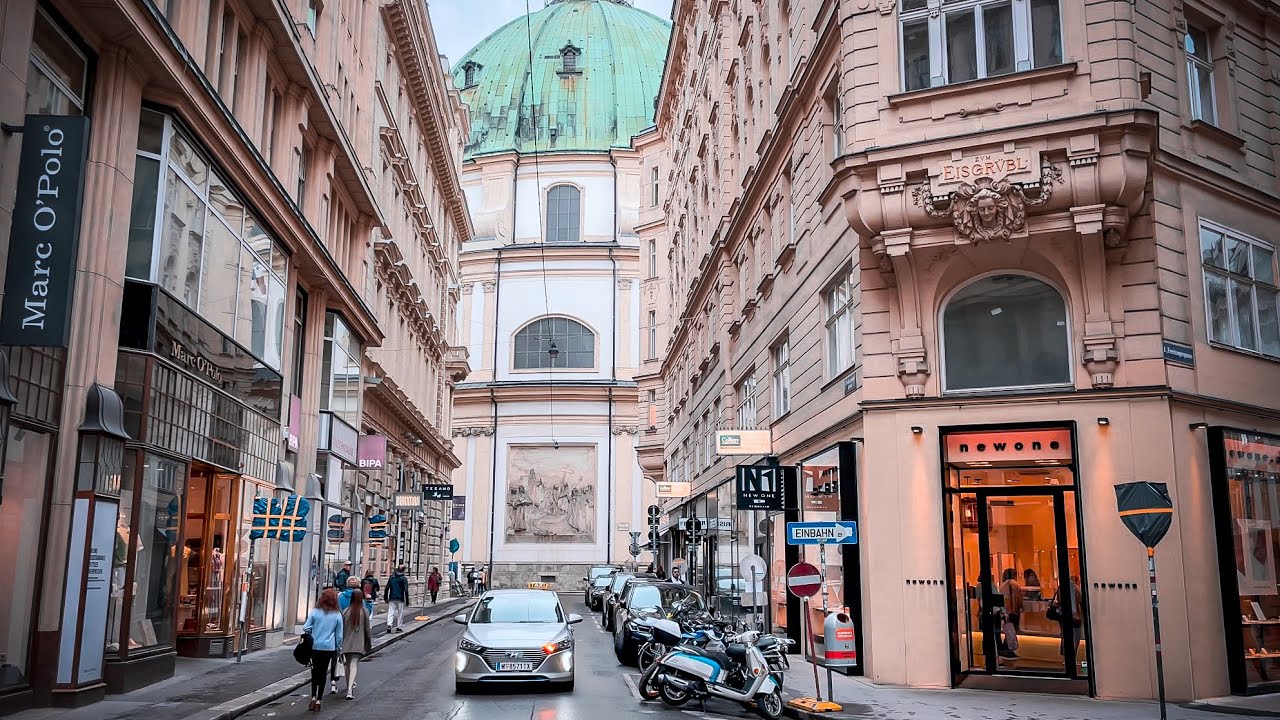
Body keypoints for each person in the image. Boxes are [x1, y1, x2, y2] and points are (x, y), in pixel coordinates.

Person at [303, 589, 343, 712]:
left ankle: (313, 697)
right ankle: (320, 700)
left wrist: (312, 632)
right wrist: (338, 648)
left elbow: (306, 627)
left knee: (314, 672)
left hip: (315, 646)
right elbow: (339, 636)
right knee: (323, 673)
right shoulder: (337, 615)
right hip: (329, 647)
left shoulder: (315, 612)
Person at [340, 589, 372, 700]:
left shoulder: (345, 611)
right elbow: (367, 630)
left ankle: (349, 684)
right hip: (358, 643)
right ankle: (349, 689)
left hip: (346, 643)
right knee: (353, 664)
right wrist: (368, 644)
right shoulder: (364, 611)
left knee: (347, 664)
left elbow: (341, 630)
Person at [386, 566, 409, 632]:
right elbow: (406, 590)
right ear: (403, 570)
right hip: (400, 598)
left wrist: (385, 597)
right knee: (400, 612)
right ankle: (399, 627)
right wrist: (407, 600)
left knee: (391, 612)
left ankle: (389, 625)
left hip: (392, 597)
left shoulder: (392, 577)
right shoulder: (403, 579)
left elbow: (387, 587)